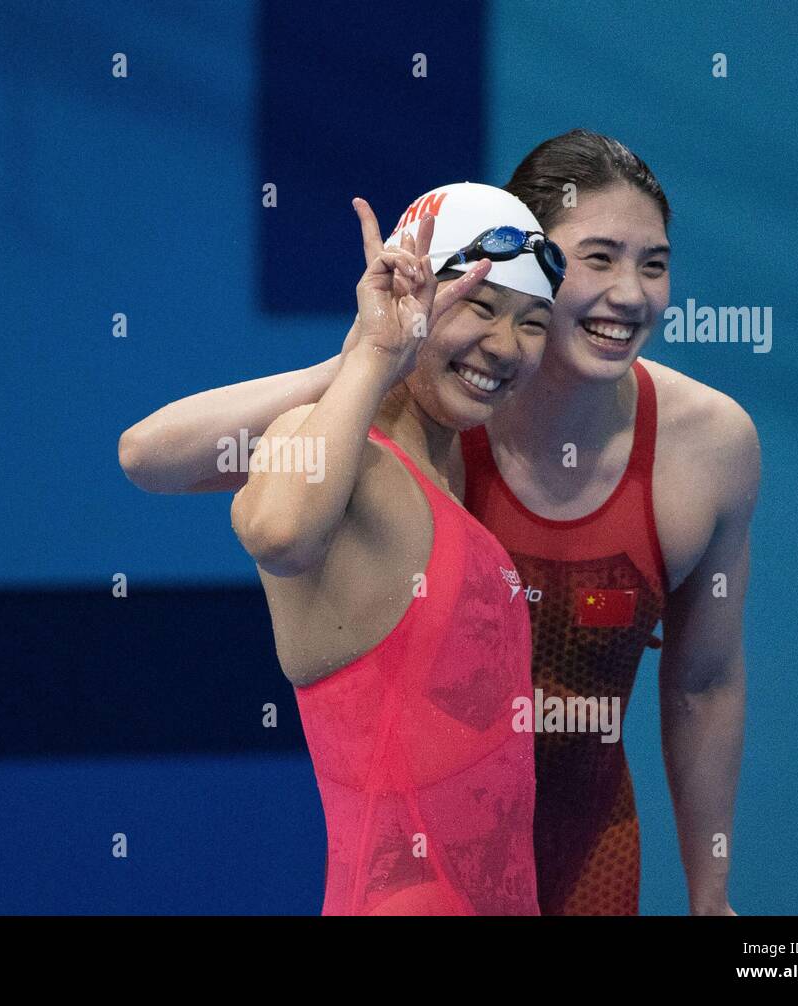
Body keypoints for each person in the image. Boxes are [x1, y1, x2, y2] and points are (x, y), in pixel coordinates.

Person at [119, 131, 759, 916]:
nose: (628, 293)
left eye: (653, 263)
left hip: (569, 870)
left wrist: (712, 896)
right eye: (596, 258)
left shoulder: (693, 443)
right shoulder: (370, 432)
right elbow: (163, 464)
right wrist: (362, 356)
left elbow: (705, 681)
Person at [205, 182, 560, 914]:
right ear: (415, 296)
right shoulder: (342, 461)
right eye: (482, 307)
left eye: (534, 322)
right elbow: (271, 529)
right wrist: (369, 354)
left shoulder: (446, 477)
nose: (505, 345)